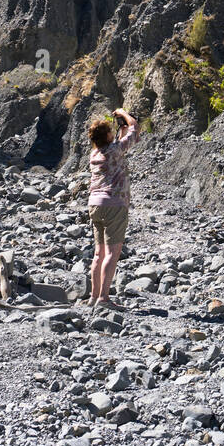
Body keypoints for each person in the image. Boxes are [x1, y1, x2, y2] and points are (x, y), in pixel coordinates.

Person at [87, 106, 139, 309]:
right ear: (107, 135)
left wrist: (120, 130)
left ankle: (93, 296)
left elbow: (117, 144)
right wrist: (124, 113)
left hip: (95, 204)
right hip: (114, 204)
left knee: (98, 254)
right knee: (112, 252)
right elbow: (135, 129)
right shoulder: (114, 151)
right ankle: (104, 299)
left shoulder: (95, 154)